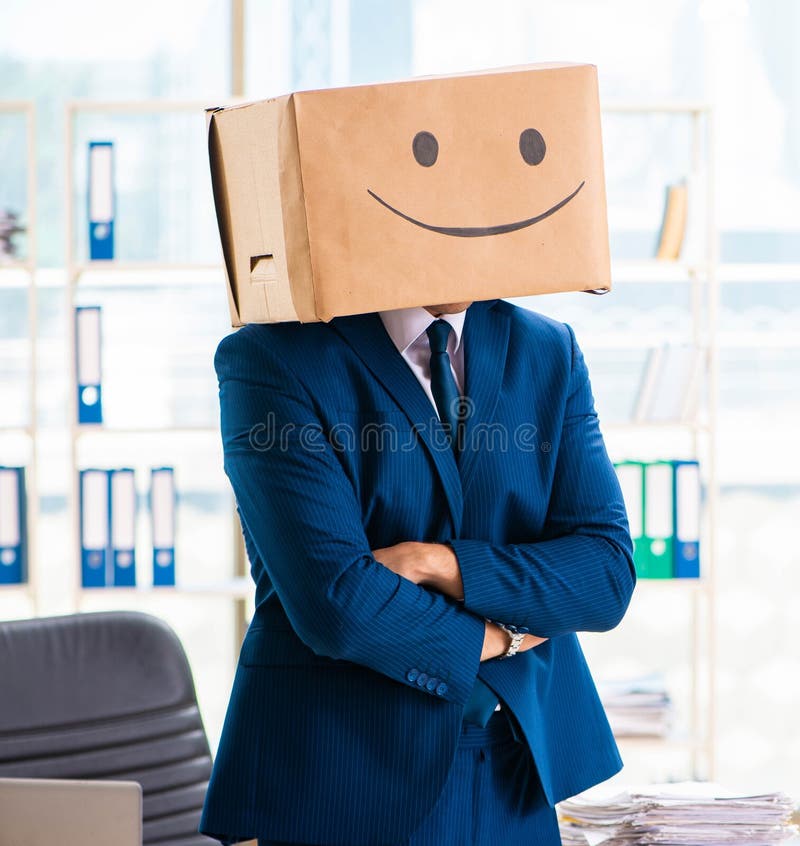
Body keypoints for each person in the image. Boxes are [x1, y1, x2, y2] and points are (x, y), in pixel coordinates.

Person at [199, 295, 636, 846]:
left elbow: (605, 574)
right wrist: (502, 636)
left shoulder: (548, 349)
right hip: (341, 773)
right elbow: (338, 603)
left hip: (513, 763)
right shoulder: (272, 357)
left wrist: (438, 563)